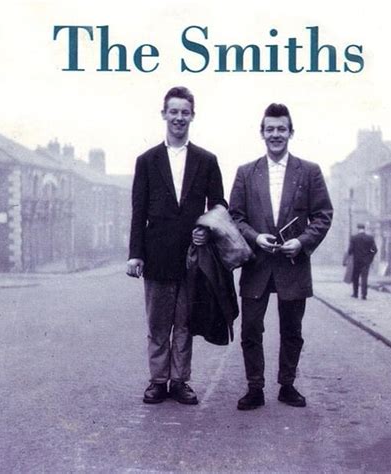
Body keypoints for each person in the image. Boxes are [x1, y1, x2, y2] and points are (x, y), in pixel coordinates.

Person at [229, 103, 333, 410]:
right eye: (270, 129)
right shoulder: (246, 172)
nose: (276, 134)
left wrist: (302, 242)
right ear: (262, 133)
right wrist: (255, 237)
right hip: (256, 264)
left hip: (293, 263)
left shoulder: (309, 171)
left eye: (281, 129)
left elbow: (323, 214)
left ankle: (287, 385)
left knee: (292, 329)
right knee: (250, 328)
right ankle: (255, 388)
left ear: (291, 132)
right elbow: (235, 216)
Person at [126, 86, 226, 405]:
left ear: (192, 116)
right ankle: (158, 381)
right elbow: (138, 210)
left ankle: (180, 381)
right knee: (158, 324)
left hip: (192, 257)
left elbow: (219, 206)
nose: (179, 117)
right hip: (156, 255)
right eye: (174, 111)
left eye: (185, 112)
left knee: (184, 322)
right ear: (164, 114)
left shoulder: (207, 160)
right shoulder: (147, 160)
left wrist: (205, 232)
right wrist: (135, 255)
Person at [348, 223, 377, 300]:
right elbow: (374, 249)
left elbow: (350, 250)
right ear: (364, 229)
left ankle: (355, 293)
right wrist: (370, 257)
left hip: (356, 261)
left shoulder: (354, 238)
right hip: (366, 261)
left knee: (355, 277)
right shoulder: (370, 238)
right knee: (364, 278)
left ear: (358, 229)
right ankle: (364, 295)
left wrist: (353, 253)